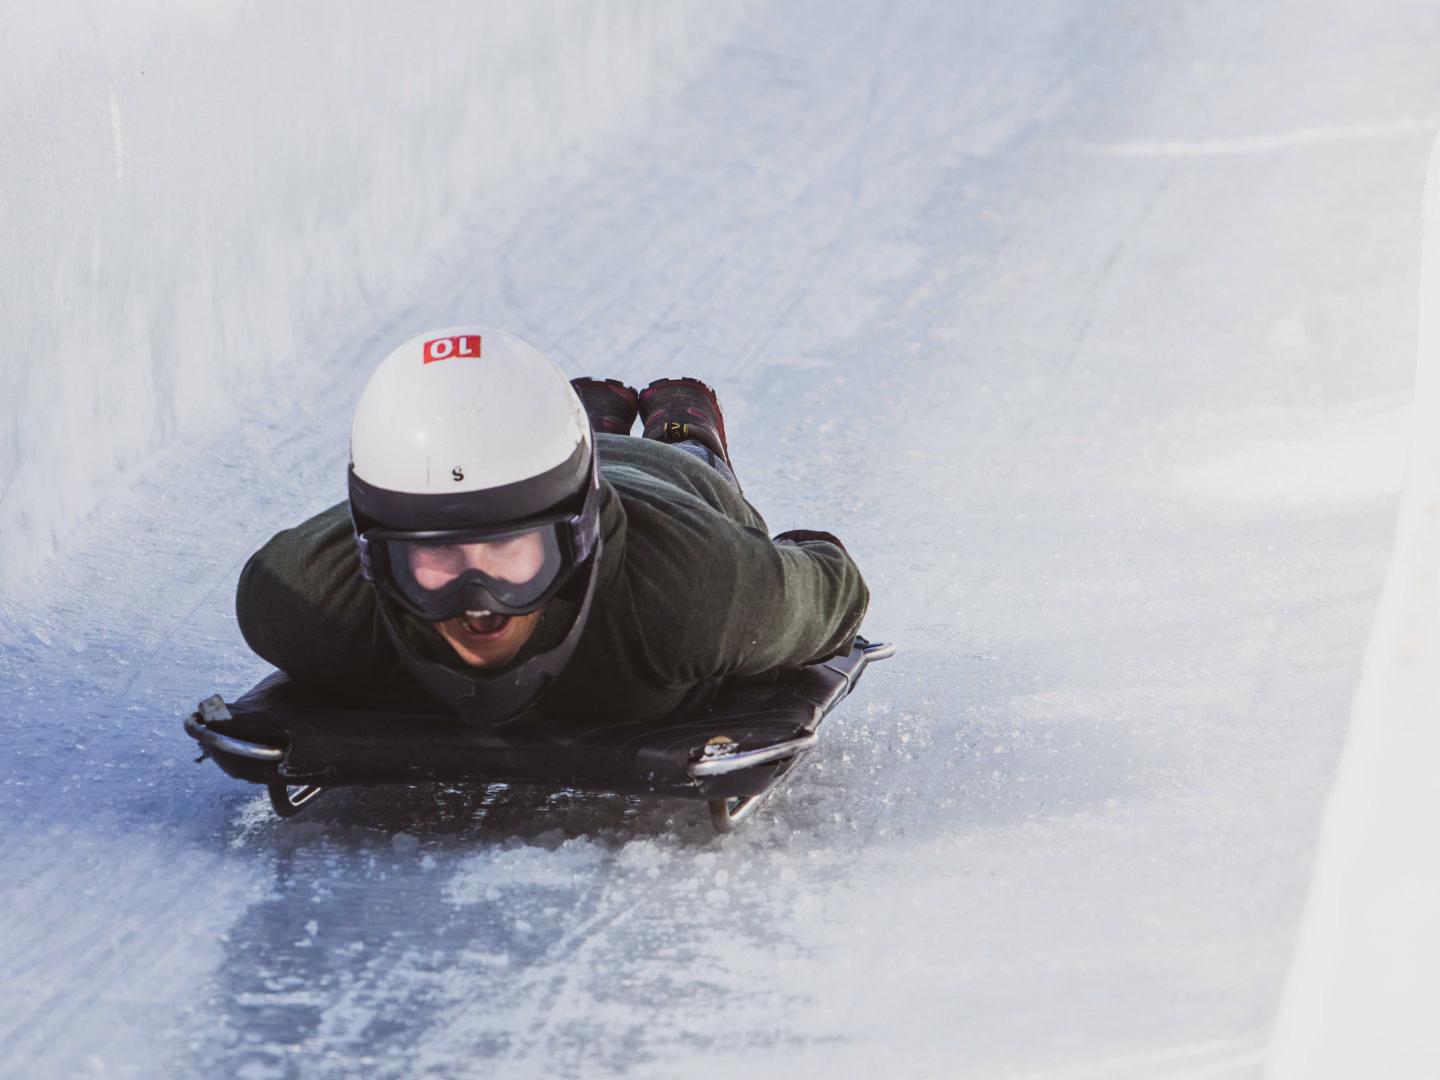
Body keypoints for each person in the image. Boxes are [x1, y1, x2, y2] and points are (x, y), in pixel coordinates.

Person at [235, 326, 869, 725]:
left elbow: (834, 591)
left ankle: (684, 428)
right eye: (434, 563)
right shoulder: (302, 599)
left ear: (576, 536)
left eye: (510, 552)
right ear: (376, 558)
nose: (476, 604)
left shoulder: (700, 589)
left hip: (668, 486)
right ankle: (591, 420)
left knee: (685, 463)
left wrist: (797, 557)